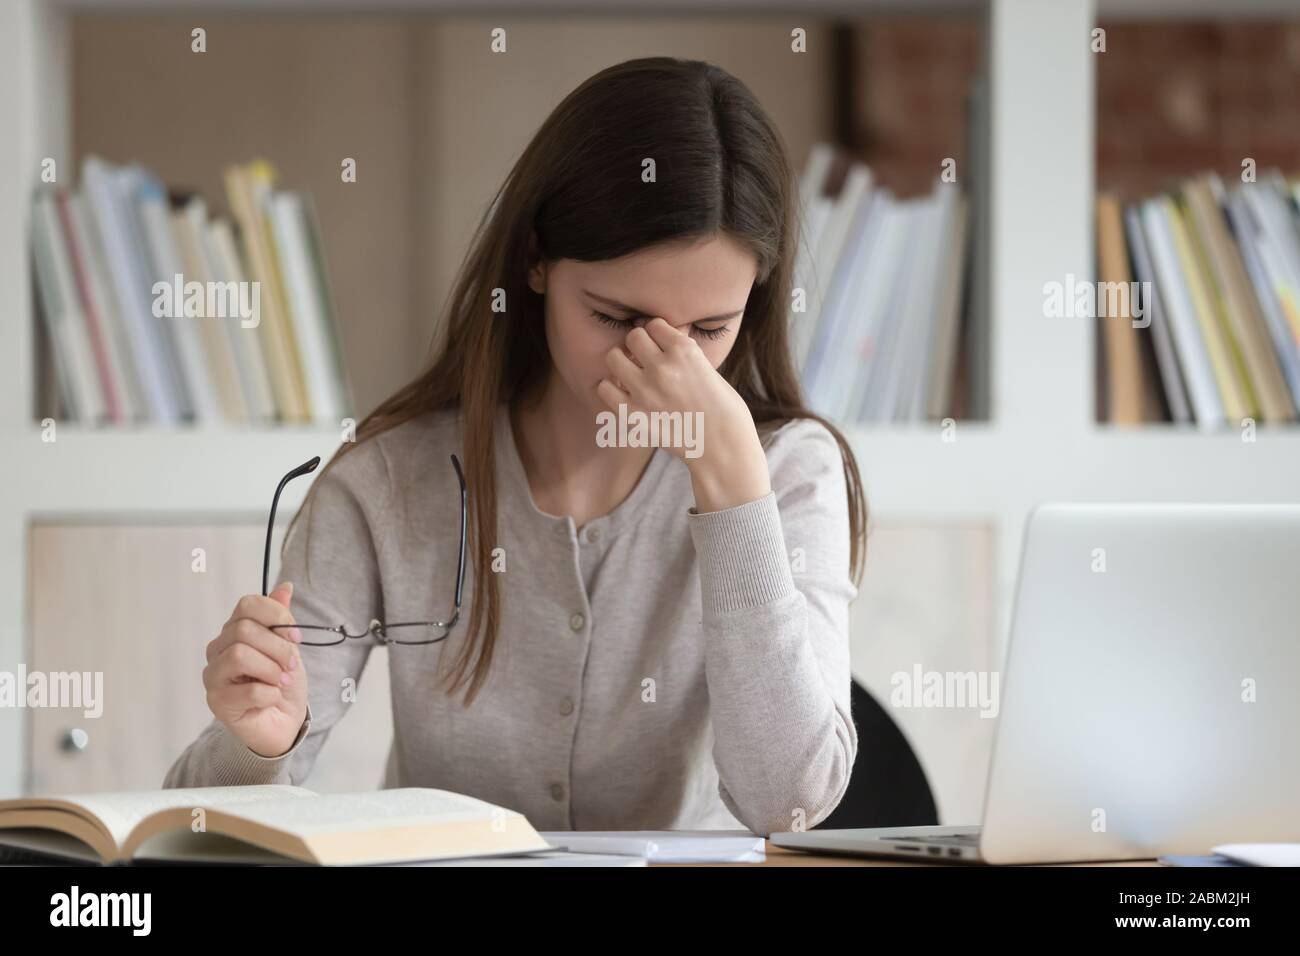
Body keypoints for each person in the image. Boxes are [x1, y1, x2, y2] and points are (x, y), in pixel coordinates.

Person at [164, 56, 868, 836]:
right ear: (535, 259)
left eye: (709, 330)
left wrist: (733, 480)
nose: (664, 368)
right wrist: (256, 748)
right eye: (615, 318)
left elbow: (789, 804)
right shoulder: (388, 483)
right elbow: (194, 827)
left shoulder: (788, 469)